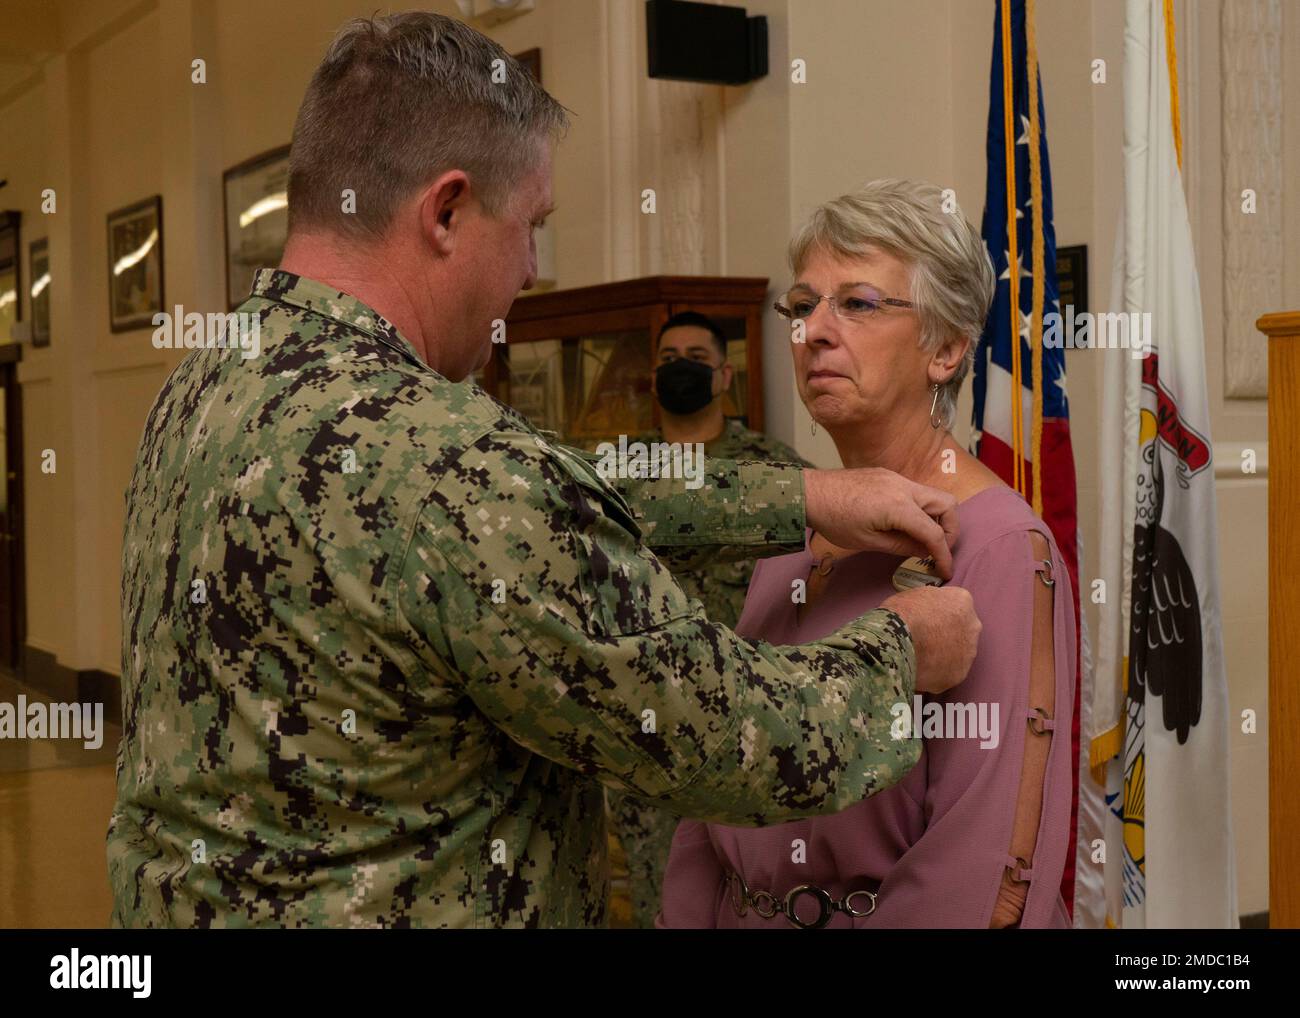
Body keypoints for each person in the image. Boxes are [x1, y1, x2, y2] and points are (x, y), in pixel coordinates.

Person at [108, 16, 981, 928]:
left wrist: (799, 494)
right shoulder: (456, 464)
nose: (531, 269)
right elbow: (721, 736)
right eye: (532, 227)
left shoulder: (207, 383)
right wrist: (899, 654)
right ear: (444, 211)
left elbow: (538, 484)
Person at [659, 178, 1077, 929]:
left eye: (856, 304)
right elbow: (714, 783)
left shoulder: (1002, 548)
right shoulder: (791, 535)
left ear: (946, 349)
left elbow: (977, 871)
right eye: (801, 305)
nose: (813, 331)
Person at [610, 311, 811, 927]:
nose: (681, 369)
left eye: (697, 358)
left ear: (724, 377)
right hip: (647, 733)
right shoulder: (618, 472)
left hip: (749, 728)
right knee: (660, 904)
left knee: (758, 901)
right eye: (669, 359)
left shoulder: (770, 470)